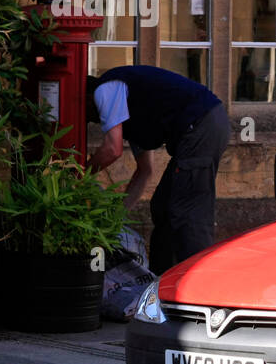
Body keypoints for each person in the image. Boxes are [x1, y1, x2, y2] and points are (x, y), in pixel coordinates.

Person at [86, 66, 230, 274]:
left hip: (200, 124)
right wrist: (114, 218)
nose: (96, 122)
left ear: (89, 97)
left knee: (188, 212)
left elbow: (112, 149)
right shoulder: (131, 115)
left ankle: (198, 282)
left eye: (90, 116)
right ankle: (160, 280)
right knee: (162, 206)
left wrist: (79, 176)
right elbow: (145, 171)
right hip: (205, 125)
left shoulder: (105, 89)